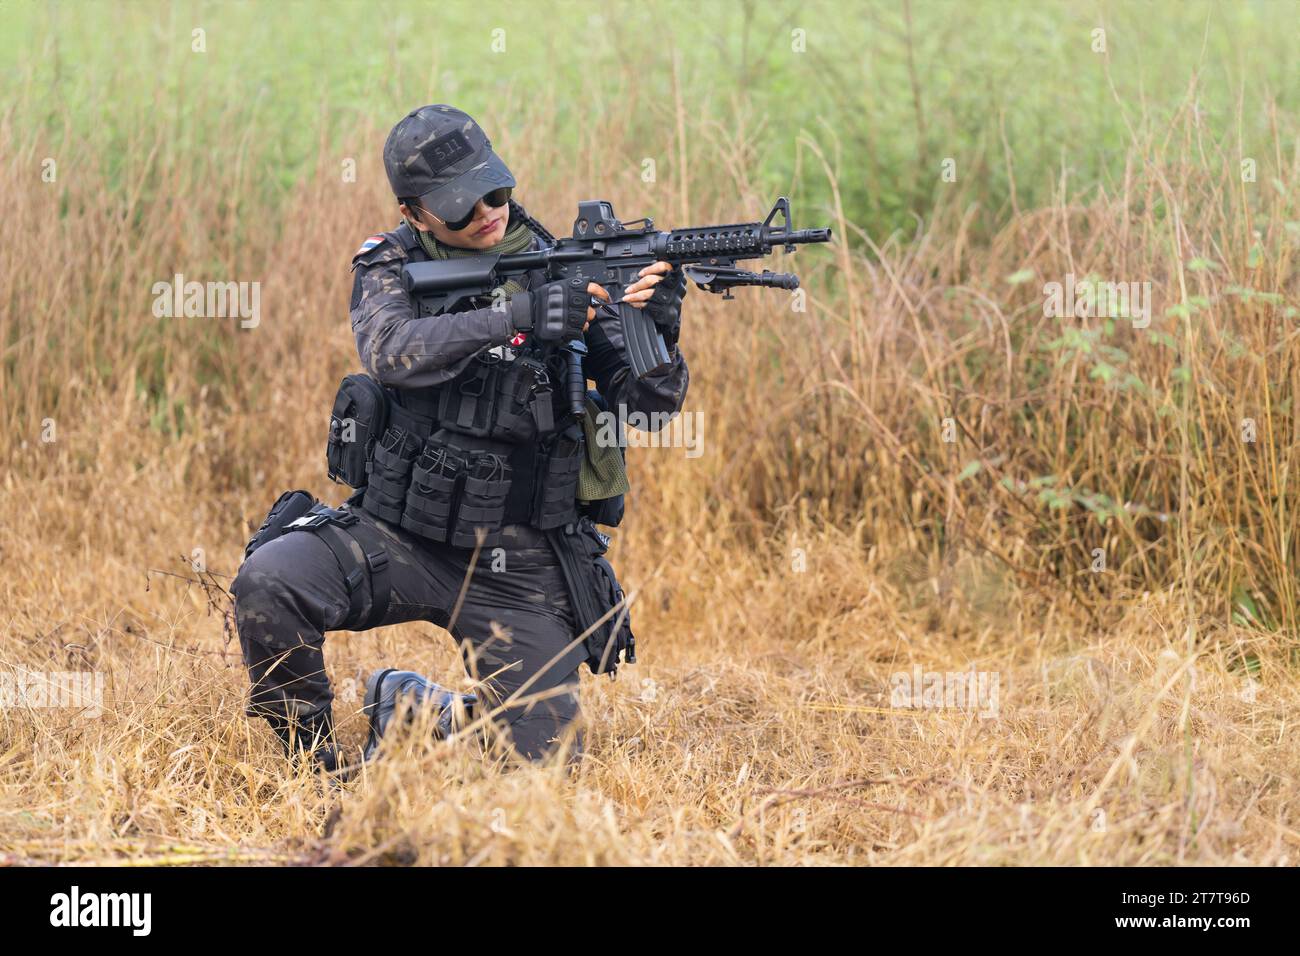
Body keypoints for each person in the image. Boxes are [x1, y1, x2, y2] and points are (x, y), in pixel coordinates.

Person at [231, 105, 689, 770]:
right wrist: (518, 316)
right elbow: (391, 350)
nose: (487, 214)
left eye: (495, 193)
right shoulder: (391, 264)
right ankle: (312, 762)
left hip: (520, 557)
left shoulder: (564, 265)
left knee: (543, 766)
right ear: (415, 213)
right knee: (269, 581)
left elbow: (649, 409)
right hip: (400, 534)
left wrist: (660, 336)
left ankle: (419, 708)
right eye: (461, 206)